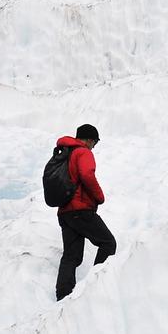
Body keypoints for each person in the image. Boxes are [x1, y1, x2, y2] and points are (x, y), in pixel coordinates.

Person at [54, 124, 116, 300]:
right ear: (89, 140)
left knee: (71, 256)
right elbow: (87, 174)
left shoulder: (65, 153)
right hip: (81, 210)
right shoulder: (83, 152)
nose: (94, 147)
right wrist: (99, 197)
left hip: (65, 212)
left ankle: (63, 297)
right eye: (95, 142)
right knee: (108, 243)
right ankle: (95, 287)